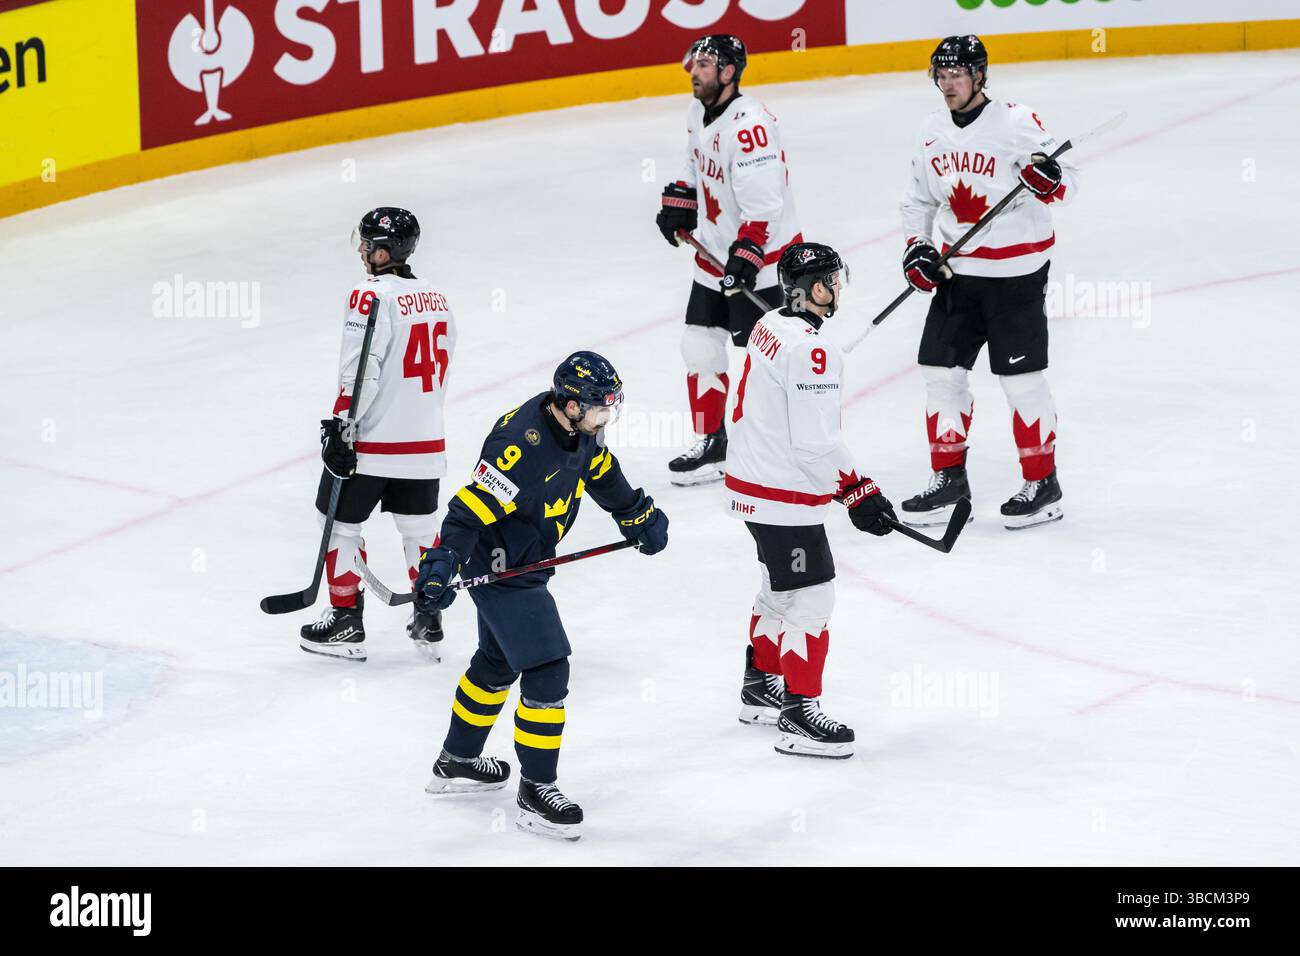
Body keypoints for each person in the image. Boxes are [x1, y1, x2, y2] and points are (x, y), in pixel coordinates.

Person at [413, 352, 669, 840]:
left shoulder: (578, 433)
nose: (605, 415)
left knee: (497, 662)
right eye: (599, 407)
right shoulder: (519, 446)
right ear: (570, 405)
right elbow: (469, 512)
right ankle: (536, 790)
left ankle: (458, 761)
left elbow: (600, 471)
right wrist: (442, 561)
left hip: (525, 558)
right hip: (502, 567)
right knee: (549, 669)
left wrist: (635, 513)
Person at [724, 242, 896, 760]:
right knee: (814, 596)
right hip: (783, 493)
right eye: (832, 282)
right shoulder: (811, 351)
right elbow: (816, 444)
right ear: (813, 289)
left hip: (752, 482)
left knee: (778, 589)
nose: (838, 289)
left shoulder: (771, 323)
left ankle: (760, 687)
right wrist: (858, 490)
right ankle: (800, 713)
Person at [899, 35, 1077, 530]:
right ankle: (949, 481)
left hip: (1016, 276)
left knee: (1020, 381)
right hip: (959, 274)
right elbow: (918, 201)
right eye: (941, 74)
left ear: (979, 76)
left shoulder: (1017, 122)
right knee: (940, 375)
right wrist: (917, 246)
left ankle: (1044, 484)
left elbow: (1068, 182)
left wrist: (1051, 181)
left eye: (957, 73)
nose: (947, 83)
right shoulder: (931, 130)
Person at [299, 207, 458, 662]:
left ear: (384, 250)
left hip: (370, 443)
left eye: (368, 243)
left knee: (339, 528)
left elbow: (361, 368)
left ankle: (347, 621)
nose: (363, 252)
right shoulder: (437, 297)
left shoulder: (369, 295)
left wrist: (341, 427)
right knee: (419, 528)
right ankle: (429, 615)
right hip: (425, 441)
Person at [655, 33, 803, 487]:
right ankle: (713, 441)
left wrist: (749, 253)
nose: (694, 72)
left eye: (704, 65)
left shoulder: (750, 125)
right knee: (699, 346)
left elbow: (764, 205)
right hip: (716, 253)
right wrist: (680, 197)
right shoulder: (698, 110)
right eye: (694, 63)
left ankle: (777, 448)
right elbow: (692, 161)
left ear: (728, 72)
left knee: (762, 361)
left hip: (761, 260)